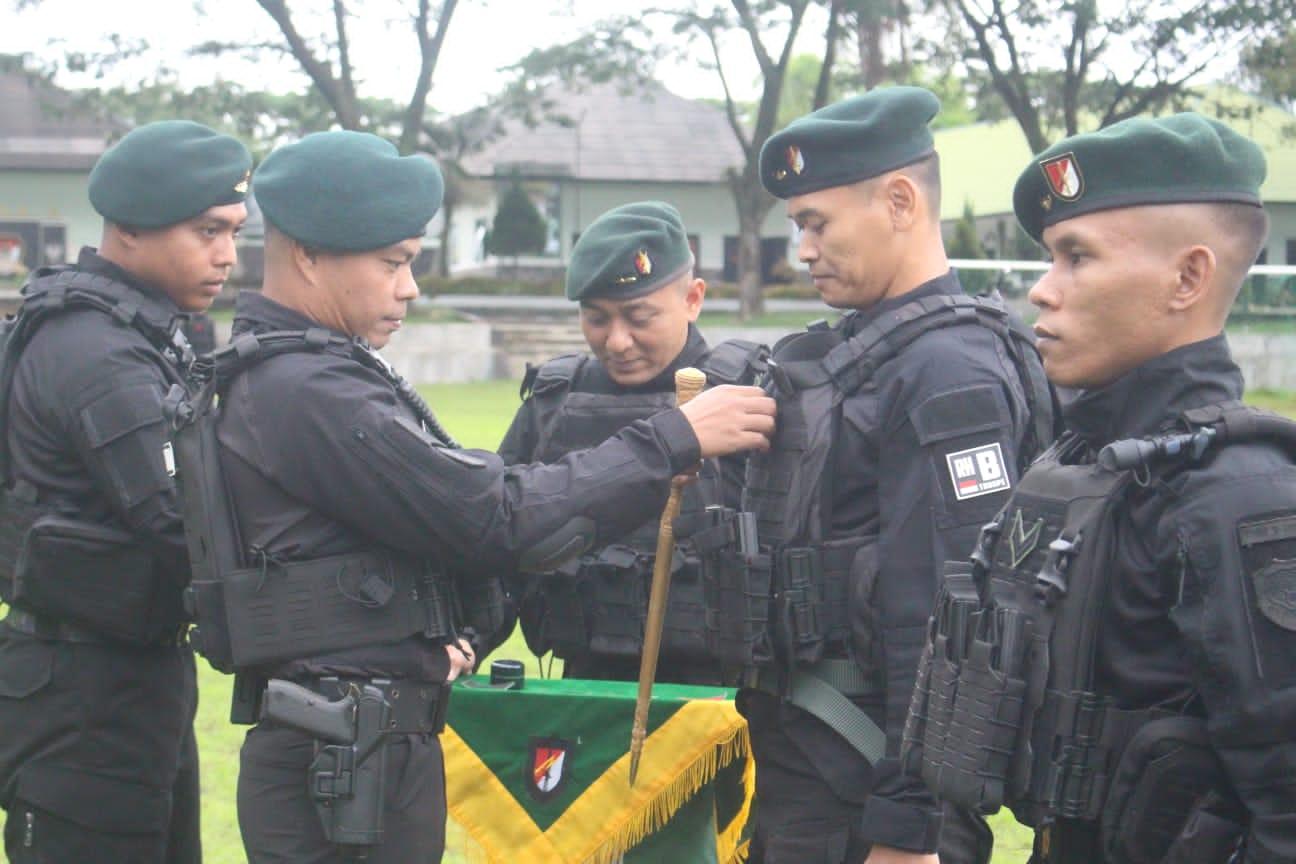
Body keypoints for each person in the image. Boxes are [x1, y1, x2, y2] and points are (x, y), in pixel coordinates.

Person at [186, 130, 775, 863]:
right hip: (343, 761)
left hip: (360, 748)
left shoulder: (308, 376)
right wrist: (673, 440)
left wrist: (466, 628)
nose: (410, 288)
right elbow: (499, 515)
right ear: (307, 254)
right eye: (394, 263)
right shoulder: (308, 390)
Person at [905, 113, 1294, 863]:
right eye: (1050, 259)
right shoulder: (1084, 462)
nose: (1043, 292)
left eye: (1076, 259)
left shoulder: (1241, 498)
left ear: (1188, 277)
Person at [715, 86, 1055, 864]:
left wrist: (908, 829)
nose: (802, 249)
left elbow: (948, 613)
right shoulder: (866, 354)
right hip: (812, 767)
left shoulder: (948, 369)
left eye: (816, 223)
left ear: (899, 201)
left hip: (874, 792)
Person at [0, 120, 250, 862]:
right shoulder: (95, 349)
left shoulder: (136, 331)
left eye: (234, 231)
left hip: (131, 674)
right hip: (83, 694)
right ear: (130, 228)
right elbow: (184, 519)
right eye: (206, 230)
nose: (226, 255)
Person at [498, 200, 765, 685]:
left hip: (725, 706)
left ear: (693, 298)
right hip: (584, 693)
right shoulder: (556, 400)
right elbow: (495, 538)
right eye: (596, 318)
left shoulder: (747, 395)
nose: (617, 341)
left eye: (638, 317)